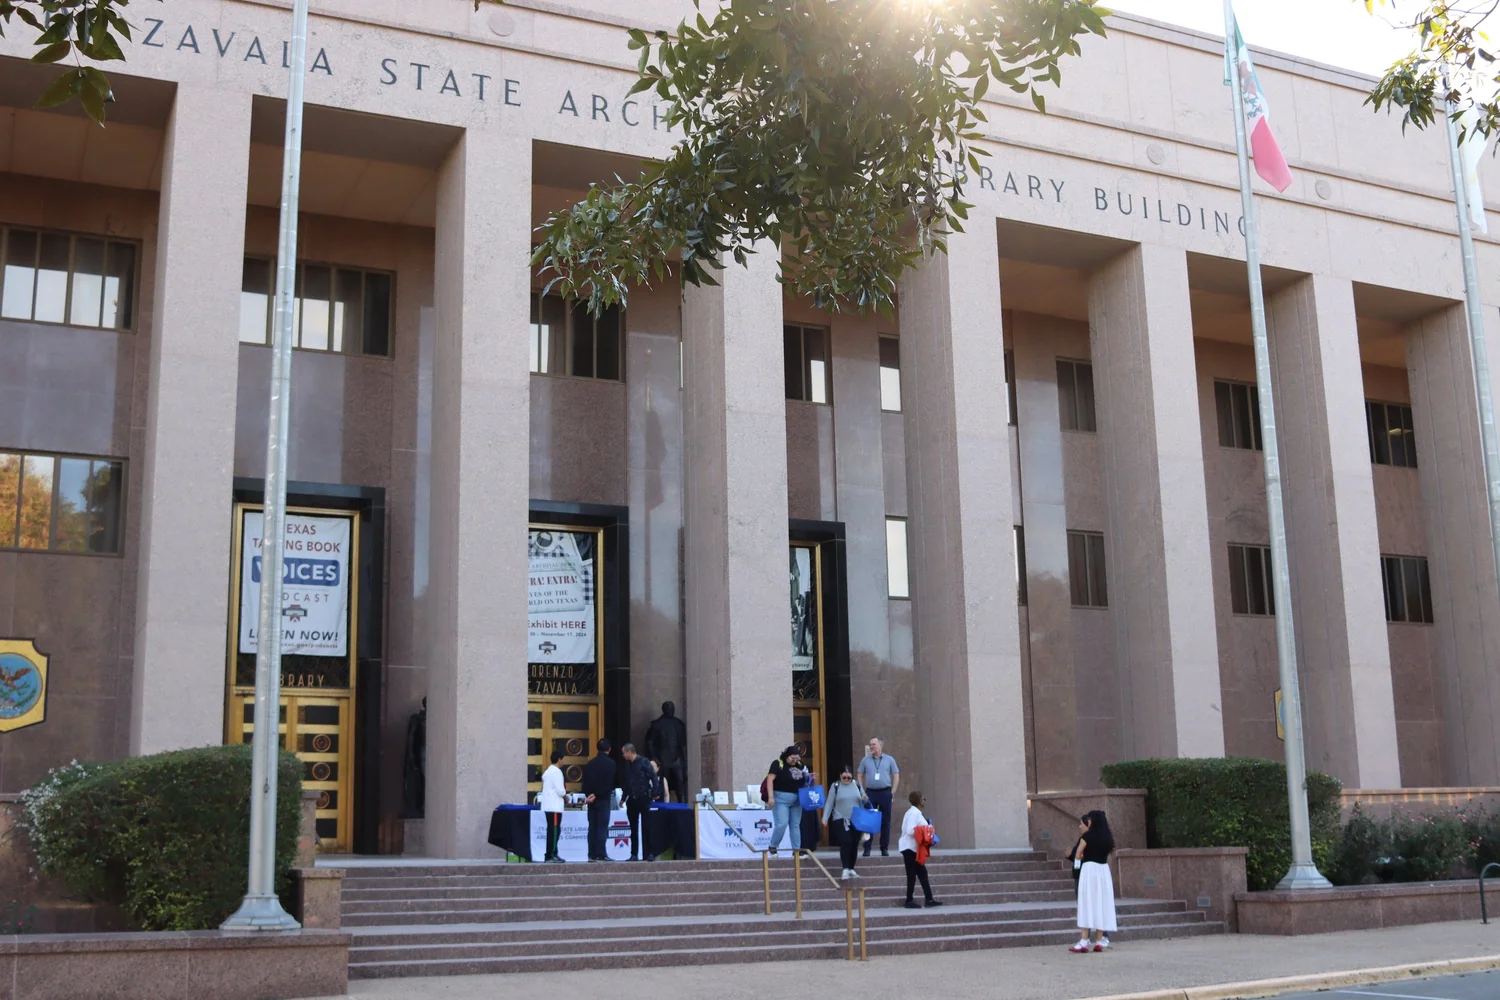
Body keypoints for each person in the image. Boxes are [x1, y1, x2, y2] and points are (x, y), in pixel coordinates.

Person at [1070, 810, 1117, 953]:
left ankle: (1084, 940)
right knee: (1101, 903)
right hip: (1103, 871)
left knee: (1086, 902)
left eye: (1089, 819)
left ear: (1093, 821)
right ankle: (1099, 940)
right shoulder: (1108, 838)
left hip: (1089, 870)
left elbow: (1078, 854)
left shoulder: (1087, 836)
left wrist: (1083, 856)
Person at [856, 737, 900, 857]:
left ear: (881, 745)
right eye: (870, 745)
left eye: (874, 744)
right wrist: (861, 791)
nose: (871, 747)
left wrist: (893, 792)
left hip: (885, 792)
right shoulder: (865, 760)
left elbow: (896, 775)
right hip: (870, 793)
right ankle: (867, 848)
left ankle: (884, 848)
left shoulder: (889, 759)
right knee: (868, 821)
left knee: (886, 822)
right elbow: (859, 775)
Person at [898, 790, 942, 909]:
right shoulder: (914, 813)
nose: (924, 801)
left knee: (921, 873)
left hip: (911, 848)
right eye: (923, 799)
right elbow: (910, 830)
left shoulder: (913, 812)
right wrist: (925, 829)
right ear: (918, 800)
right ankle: (910, 900)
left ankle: (928, 899)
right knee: (913, 874)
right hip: (909, 848)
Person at [822, 764, 866, 879]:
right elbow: (830, 803)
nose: (846, 780)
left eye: (849, 778)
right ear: (840, 776)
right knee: (846, 842)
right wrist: (825, 817)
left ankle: (851, 868)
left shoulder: (857, 784)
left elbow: (864, 798)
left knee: (854, 843)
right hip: (840, 818)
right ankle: (845, 868)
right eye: (844, 777)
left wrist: (865, 798)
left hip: (856, 819)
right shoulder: (835, 786)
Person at [766, 745, 811, 857]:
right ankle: (773, 845)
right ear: (786, 756)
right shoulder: (777, 764)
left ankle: (796, 851)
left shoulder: (800, 765)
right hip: (780, 798)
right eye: (792, 759)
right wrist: (771, 797)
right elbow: (770, 779)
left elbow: (805, 779)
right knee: (782, 823)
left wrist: (810, 776)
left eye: (797, 759)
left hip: (797, 799)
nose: (794, 761)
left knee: (795, 825)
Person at [643, 701, 688, 803]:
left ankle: (682, 806)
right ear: (664, 710)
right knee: (663, 785)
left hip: (676, 760)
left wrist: (684, 762)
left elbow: (682, 745)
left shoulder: (678, 724)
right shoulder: (657, 724)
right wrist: (655, 758)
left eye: (672, 708)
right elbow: (649, 742)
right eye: (669, 708)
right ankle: (663, 805)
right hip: (662, 760)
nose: (671, 710)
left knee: (680, 785)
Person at [580, 738, 616, 863]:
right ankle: (601, 853)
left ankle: (591, 853)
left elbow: (584, 783)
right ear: (609, 750)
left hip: (591, 801)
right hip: (603, 800)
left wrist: (590, 795)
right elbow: (608, 784)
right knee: (602, 827)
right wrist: (598, 795)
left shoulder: (590, 764)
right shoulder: (611, 764)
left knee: (592, 827)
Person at [621, 743, 657, 862]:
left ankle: (649, 853)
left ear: (629, 752)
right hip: (632, 798)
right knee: (633, 828)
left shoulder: (643, 762)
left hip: (643, 797)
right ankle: (634, 854)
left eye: (624, 753)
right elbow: (627, 783)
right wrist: (623, 798)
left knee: (646, 826)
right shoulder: (628, 766)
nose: (623, 755)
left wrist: (654, 793)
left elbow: (653, 776)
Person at [539, 750, 567, 863]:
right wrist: (566, 796)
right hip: (555, 807)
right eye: (563, 759)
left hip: (548, 806)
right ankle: (551, 854)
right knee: (555, 831)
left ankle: (551, 853)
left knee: (551, 830)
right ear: (559, 759)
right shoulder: (557, 772)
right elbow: (560, 791)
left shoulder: (548, 771)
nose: (563, 761)